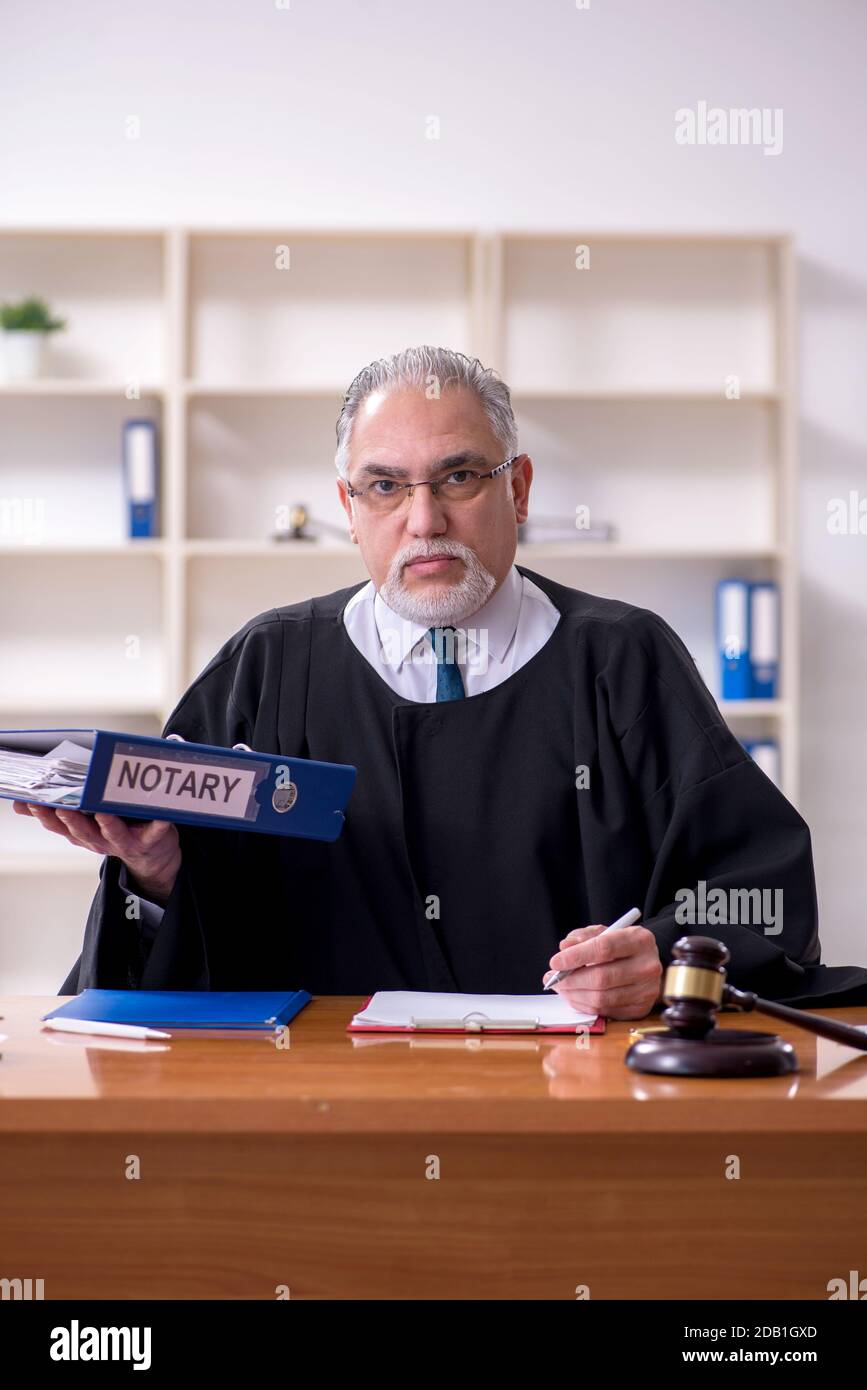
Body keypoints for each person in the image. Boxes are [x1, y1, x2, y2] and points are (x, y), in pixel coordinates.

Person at [18, 346, 867, 1016]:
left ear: (520, 487)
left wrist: (665, 957)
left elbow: (757, 897)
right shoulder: (267, 665)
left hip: (580, 1112)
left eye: (459, 477)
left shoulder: (623, 660)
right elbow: (170, 953)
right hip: (316, 1117)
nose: (423, 521)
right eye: (384, 487)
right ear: (348, 510)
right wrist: (159, 878)